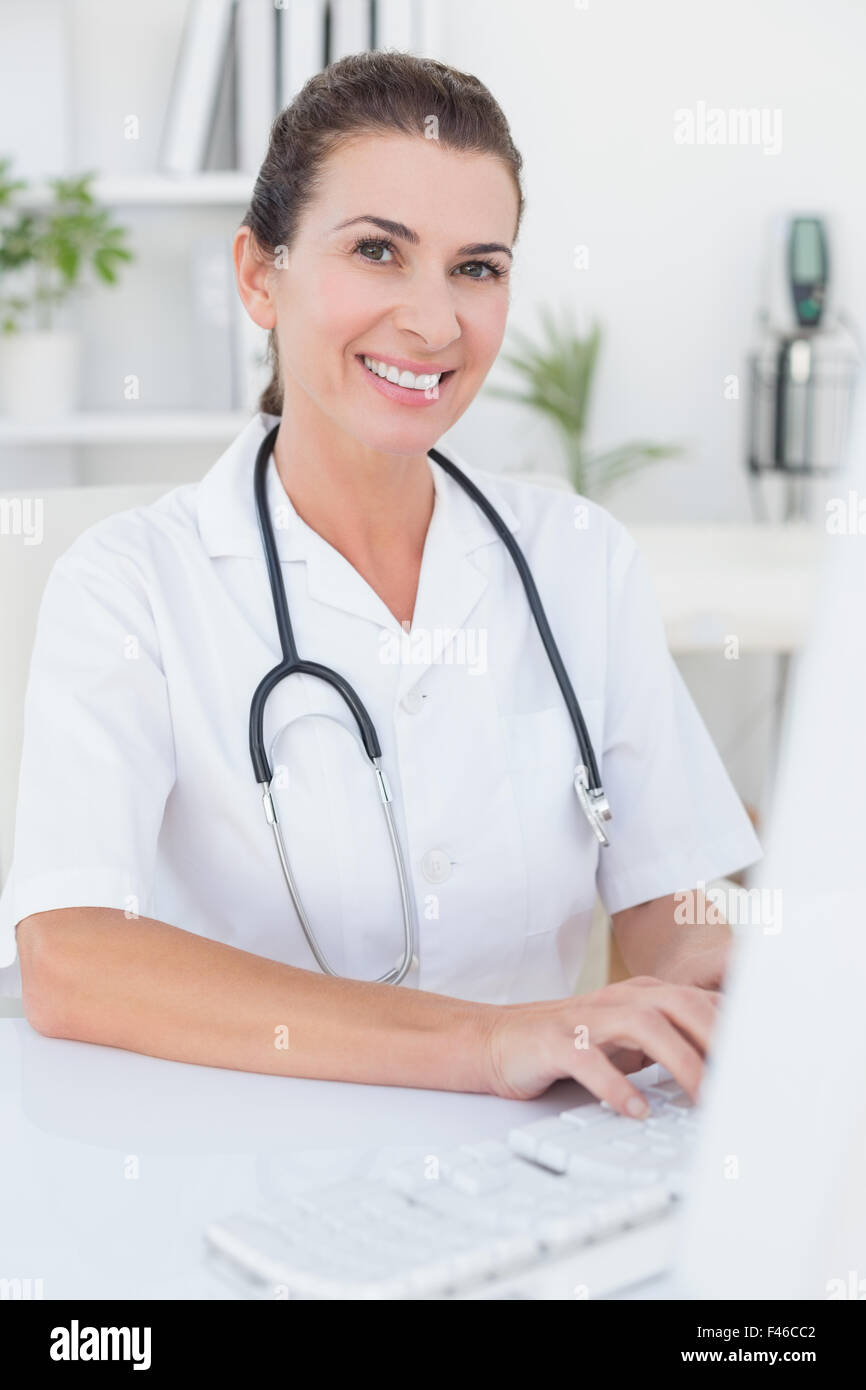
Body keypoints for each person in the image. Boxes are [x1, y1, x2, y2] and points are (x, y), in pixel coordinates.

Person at [3, 52, 761, 1115]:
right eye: (377, 250)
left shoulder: (577, 558)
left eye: (477, 267)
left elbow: (669, 904)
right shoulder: (130, 583)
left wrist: (735, 988)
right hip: (226, 1180)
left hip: (530, 1176)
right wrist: (487, 1041)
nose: (433, 320)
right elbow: (72, 958)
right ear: (259, 276)